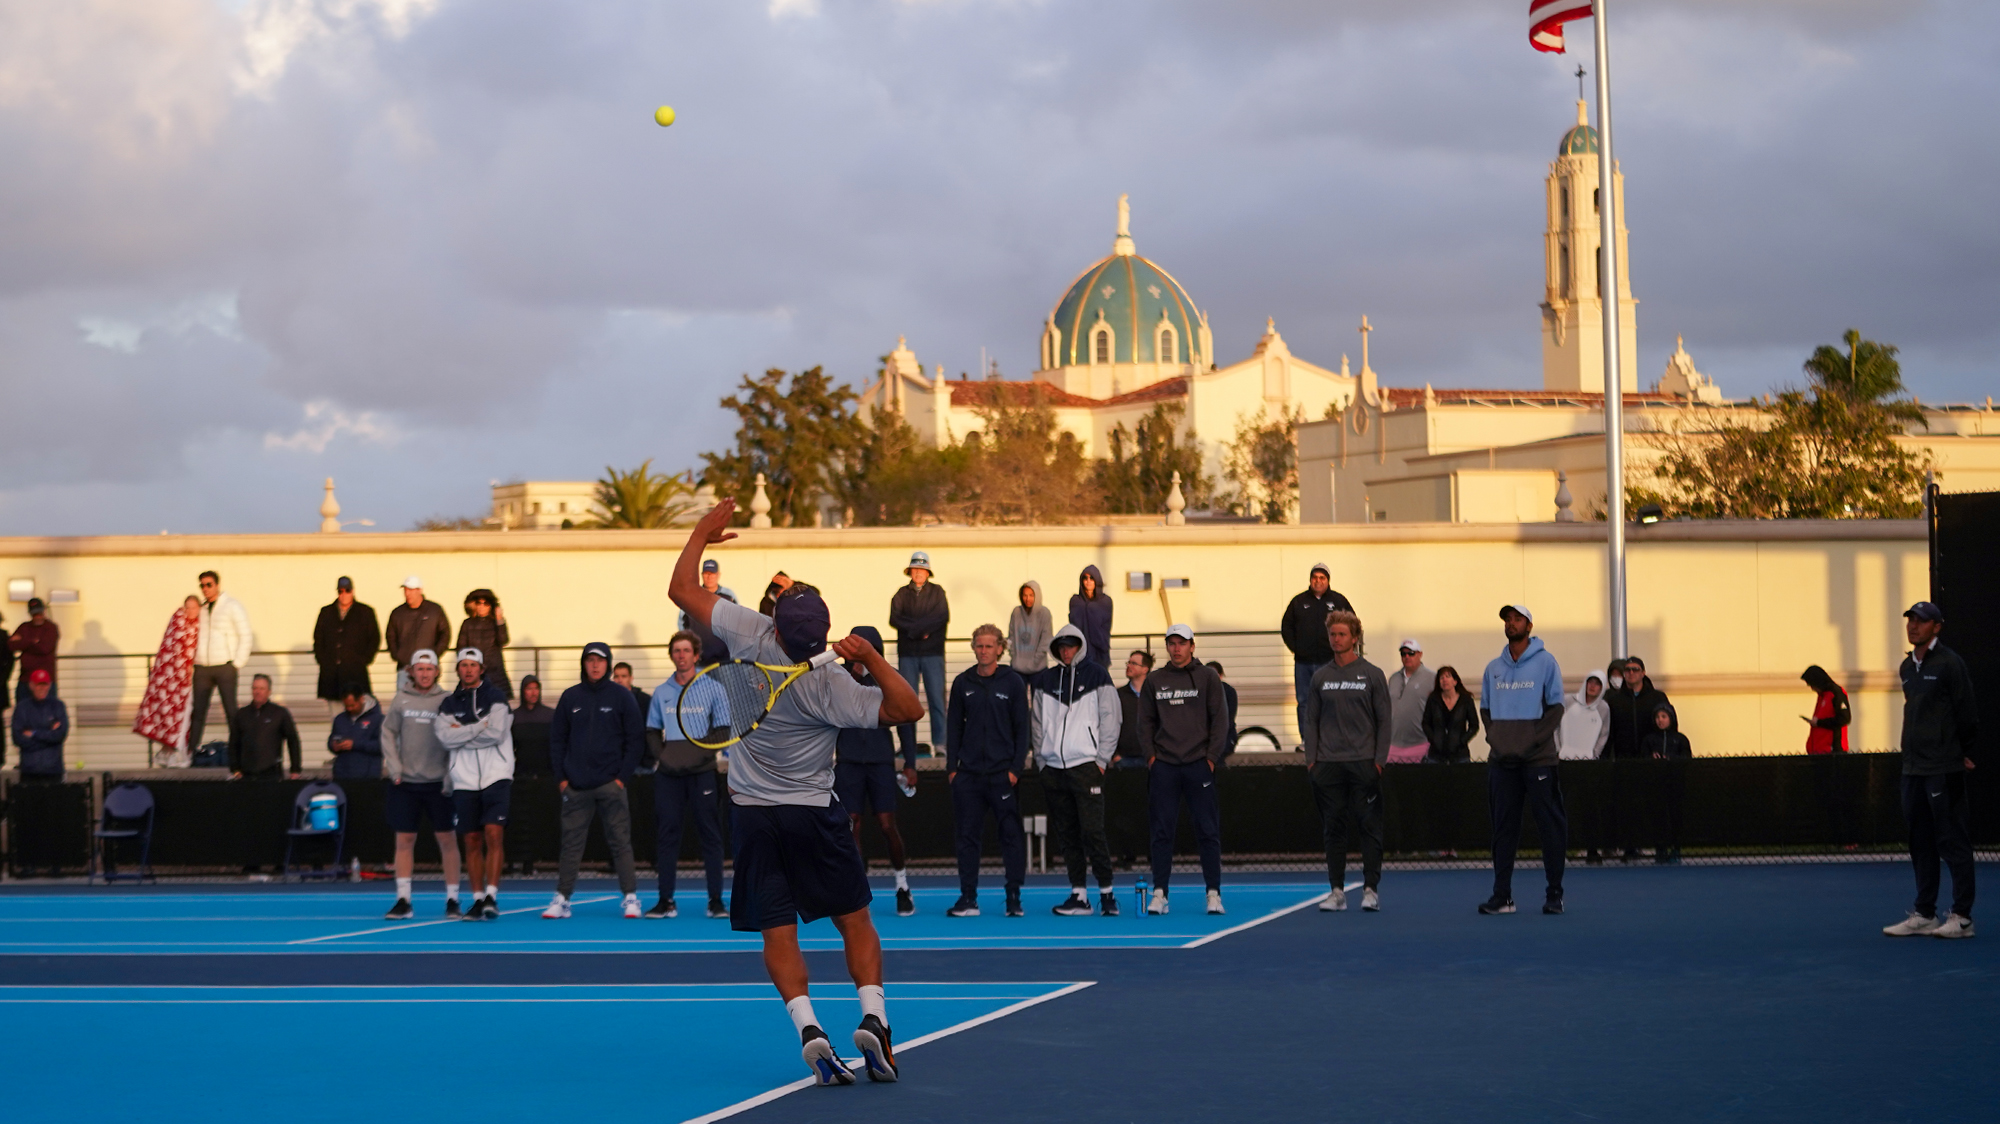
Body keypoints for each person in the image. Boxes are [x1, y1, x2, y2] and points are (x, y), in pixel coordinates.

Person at [670, 498, 924, 1086]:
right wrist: (871, 660)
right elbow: (907, 708)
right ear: (825, 634)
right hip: (814, 814)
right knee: (856, 921)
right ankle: (874, 1020)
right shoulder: (835, 685)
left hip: (755, 816)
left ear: (778, 624)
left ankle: (809, 1028)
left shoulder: (747, 631)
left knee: (777, 930)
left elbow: (682, 588)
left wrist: (703, 533)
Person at [1882, 601, 1978, 940]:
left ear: (1936, 627)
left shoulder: (1951, 664)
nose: (1913, 626)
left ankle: (1962, 917)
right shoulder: (1907, 667)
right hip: (1913, 768)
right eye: (1910, 620)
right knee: (1920, 840)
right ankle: (1925, 913)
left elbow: (1966, 714)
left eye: (1921, 622)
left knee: (1952, 840)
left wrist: (1963, 752)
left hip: (1943, 767)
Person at [544, 641, 644, 921]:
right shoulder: (570, 697)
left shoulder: (622, 697)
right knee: (571, 845)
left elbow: (635, 740)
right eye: (590, 660)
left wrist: (621, 779)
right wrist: (562, 779)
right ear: (583, 663)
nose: (595, 665)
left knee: (621, 843)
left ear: (608, 663)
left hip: (611, 786)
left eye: (600, 660)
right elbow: (557, 740)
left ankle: (631, 898)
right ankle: (562, 899)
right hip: (575, 787)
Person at [1478, 605, 1567, 916]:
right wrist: (1498, 741)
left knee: (1550, 827)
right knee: (1503, 829)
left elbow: (1556, 708)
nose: (1511, 623)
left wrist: (1531, 741)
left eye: (1517, 619)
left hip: (1539, 761)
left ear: (1529, 625)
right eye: (1507, 619)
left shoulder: (1546, 662)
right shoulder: (1493, 668)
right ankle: (1502, 897)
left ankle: (1554, 895)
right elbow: (1485, 711)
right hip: (1502, 762)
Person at [1136, 624, 1230, 916]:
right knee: (1161, 832)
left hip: (1198, 767)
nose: (1176, 648)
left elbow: (1220, 721)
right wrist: (1153, 758)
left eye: (1182, 643)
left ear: (1192, 646)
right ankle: (1160, 894)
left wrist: (1210, 759)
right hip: (1164, 767)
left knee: (1207, 831)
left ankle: (1213, 894)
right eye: (1171, 643)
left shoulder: (1208, 678)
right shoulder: (1154, 681)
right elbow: (1144, 724)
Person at [1031, 624, 1122, 917]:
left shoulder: (1098, 675)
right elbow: (1036, 723)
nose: (1066, 651)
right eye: (1062, 646)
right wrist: (1042, 761)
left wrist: (1101, 759)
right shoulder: (1045, 679)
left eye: (1071, 645)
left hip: (1086, 767)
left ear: (1080, 646)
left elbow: (1111, 719)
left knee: (1093, 831)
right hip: (1054, 769)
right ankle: (1079, 895)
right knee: (1067, 834)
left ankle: (1107, 895)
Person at [1303, 610, 1391, 912]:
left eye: (1342, 634)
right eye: (1332, 634)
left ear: (1354, 638)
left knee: (1368, 826)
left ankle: (1370, 889)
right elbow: (1310, 721)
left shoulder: (1373, 674)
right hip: (1327, 766)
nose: (1336, 639)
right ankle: (1337, 892)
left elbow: (1384, 721)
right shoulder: (1321, 676)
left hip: (1364, 763)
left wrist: (1378, 762)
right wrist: (1312, 763)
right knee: (1333, 828)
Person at [944, 624, 1032, 918]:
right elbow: (953, 728)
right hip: (968, 775)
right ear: (974, 648)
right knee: (967, 837)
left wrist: (1015, 770)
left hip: (1002, 776)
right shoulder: (962, 682)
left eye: (988, 646)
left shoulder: (1013, 682)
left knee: (1010, 836)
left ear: (1000, 649)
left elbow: (1023, 729)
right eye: (979, 646)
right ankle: (968, 898)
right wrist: (952, 770)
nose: (983, 651)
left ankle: (1013, 898)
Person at [643, 631, 730, 920]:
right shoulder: (661, 692)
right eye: (676, 651)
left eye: (686, 651)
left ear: (696, 655)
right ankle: (665, 900)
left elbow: (722, 730)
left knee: (710, 836)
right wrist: (664, 757)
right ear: (672, 656)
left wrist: (700, 755)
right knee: (667, 837)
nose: (681, 655)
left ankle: (715, 900)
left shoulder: (713, 688)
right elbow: (653, 732)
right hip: (668, 776)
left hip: (703, 773)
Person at [834, 626, 918, 917]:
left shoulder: (887, 676)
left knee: (886, 825)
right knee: (851, 824)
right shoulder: (840, 677)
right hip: (848, 762)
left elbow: (906, 719)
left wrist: (910, 762)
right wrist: (855, 673)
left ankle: (902, 885)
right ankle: (857, 891)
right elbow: (829, 712)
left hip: (881, 761)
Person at [381, 649, 463, 920]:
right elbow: (388, 733)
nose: (425, 674)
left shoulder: (447, 700)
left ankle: (452, 900)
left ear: (437, 671)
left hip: (439, 785)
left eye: (430, 669)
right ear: (411, 672)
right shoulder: (401, 700)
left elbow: (456, 739)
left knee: (447, 840)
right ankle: (403, 900)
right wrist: (395, 768)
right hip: (405, 783)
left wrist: (450, 775)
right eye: (420, 669)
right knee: (404, 840)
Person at [438, 647, 515, 922]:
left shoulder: (496, 697)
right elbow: (445, 738)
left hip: (496, 775)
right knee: (471, 840)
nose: (468, 669)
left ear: (482, 669)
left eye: (473, 665)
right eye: (463, 665)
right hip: (464, 779)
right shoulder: (448, 703)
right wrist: (478, 727)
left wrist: (463, 731)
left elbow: (496, 733)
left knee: (494, 834)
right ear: (458, 669)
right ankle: (478, 899)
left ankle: (492, 896)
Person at [1280, 563, 1353, 751]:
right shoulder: (1298, 602)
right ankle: (1308, 740)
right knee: (1305, 702)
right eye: (1315, 577)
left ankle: (1331, 739)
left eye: (1322, 578)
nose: (1318, 581)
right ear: (1310, 580)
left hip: (1330, 662)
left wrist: (1343, 652)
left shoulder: (1338, 601)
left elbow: (1352, 625)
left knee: (1331, 699)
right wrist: (1297, 648)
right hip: (1303, 663)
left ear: (1328, 580)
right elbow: (1286, 627)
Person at [1605, 656, 1671, 861]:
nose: (1630, 673)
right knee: (1628, 806)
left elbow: (1667, 726)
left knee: (1656, 805)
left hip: (1651, 760)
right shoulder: (1614, 700)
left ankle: (1661, 847)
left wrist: (1663, 751)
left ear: (1643, 672)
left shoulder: (1657, 697)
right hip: (1625, 761)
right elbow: (1608, 732)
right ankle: (1630, 847)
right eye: (1627, 670)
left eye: (1635, 669)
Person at [889, 551, 949, 758]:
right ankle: (908, 745)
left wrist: (915, 629)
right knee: (907, 701)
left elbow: (941, 617)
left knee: (937, 700)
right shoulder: (901, 594)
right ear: (910, 572)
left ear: (927, 572)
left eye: (921, 570)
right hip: (908, 654)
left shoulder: (938, 592)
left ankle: (941, 744)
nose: (918, 573)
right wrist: (919, 630)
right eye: (915, 569)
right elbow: (894, 618)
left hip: (932, 653)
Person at [133, 596, 202, 766]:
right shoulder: (178, 623)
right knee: (170, 715)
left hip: (187, 680)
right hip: (172, 679)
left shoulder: (201, 625)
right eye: (187, 608)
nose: (190, 612)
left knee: (183, 716)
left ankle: (176, 751)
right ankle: (172, 752)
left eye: (194, 608)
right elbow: (172, 648)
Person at [188, 572, 252, 755]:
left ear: (217, 585)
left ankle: (238, 753)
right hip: (202, 667)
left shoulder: (232, 606)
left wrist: (236, 663)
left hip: (224, 666)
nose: (205, 589)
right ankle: (191, 753)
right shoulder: (201, 608)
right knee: (198, 713)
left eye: (209, 585)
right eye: (202, 586)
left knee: (231, 711)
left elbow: (245, 634)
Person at [312, 577, 380, 706]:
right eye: (340, 591)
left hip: (355, 673)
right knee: (336, 715)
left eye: (347, 590)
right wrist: (323, 660)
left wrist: (365, 660)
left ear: (353, 591)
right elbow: (318, 639)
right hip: (331, 675)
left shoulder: (365, 612)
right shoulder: (326, 612)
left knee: (357, 712)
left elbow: (374, 638)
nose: (344, 595)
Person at [1641, 700, 1691, 864]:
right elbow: (1641, 760)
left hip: (1675, 785)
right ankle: (1660, 849)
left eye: (1664, 716)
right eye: (1657, 717)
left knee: (1676, 816)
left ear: (1671, 718)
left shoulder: (1680, 739)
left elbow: (1687, 759)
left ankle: (1676, 848)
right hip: (1655, 786)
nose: (1660, 720)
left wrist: (1670, 759)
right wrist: (1652, 759)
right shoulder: (1649, 740)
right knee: (1658, 817)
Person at [385, 576, 452, 694]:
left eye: (411, 590)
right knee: (404, 703)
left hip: (429, 668)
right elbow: (390, 636)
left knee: (429, 703)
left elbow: (445, 634)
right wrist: (398, 655)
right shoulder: (397, 613)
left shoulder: (434, 610)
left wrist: (434, 655)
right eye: (405, 590)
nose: (407, 594)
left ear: (419, 590)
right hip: (405, 668)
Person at [227, 673, 300, 780]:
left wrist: (295, 770)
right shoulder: (242, 714)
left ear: (269, 691)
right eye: (255, 688)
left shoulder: (279, 713)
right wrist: (235, 769)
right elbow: (233, 743)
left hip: (272, 773)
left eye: (262, 688)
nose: (258, 692)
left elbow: (293, 741)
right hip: (246, 775)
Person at [11, 669, 67, 782]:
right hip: (29, 771)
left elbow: (60, 735)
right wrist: (49, 737)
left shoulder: (58, 706)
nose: (42, 688)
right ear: (31, 685)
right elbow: (17, 738)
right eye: (38, 685)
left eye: (44, 685)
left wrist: (34, 734)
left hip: (53, 770)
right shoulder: (22, 708)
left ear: (50, 685)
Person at [1385, 639, 1435, 765]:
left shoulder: (1432, 678)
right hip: (1393, 744)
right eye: (1403, 654)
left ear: (1419, 654)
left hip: (1420, 743)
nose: (1407, 657)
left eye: (1411, 653)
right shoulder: (1393, 679)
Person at [679, 559, 738, 664]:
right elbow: (682, 623)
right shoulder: (692, 596)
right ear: (701, 575)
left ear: (718, 575)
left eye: (712, 574)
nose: (709, 577)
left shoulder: (729, 596)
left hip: (724, 657)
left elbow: (738, 622)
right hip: (699, 657)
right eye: (706, 574)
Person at [456, 589, 510, 700]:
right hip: (474, 671)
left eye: (486, 603)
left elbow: (504, 641)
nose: (482, 606)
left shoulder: (496, 622)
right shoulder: (467, 623)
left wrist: (500, 620)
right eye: (478, 603)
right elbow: (461, 649)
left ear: (491, 606)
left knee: (499, 702)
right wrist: (467, 666)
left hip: (496, 671)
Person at [1422, 666, 1479, 765]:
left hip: (1460, 755)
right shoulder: (1433, 699)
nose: (1444, 680)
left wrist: (1462, 741)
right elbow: (1425, 723)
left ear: (1455, 681)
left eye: (1448, 676)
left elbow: (1474, 725)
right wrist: (1433, 739)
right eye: (1441, 678)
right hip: (1436, 755)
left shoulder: (1466, 700)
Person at [9, 597, 59, 704]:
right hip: (26, 679)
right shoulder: (24, 627)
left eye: (39, 613)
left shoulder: (51, 628)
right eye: (35, 613)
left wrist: (23, 642)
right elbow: (11, 645)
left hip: (45, 681)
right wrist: (33, 641)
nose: (37, 616)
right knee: (22, 713)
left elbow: (45, 648)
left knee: (47, 714)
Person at [328, 685, 384, 779]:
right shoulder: (340, 719)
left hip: (368, 777)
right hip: (342, 775)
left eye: (352, 705)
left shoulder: (378, 719)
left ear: (361, 699)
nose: (349, 709)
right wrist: (334, 745)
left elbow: (382, 746)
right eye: (346, 706)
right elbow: (331, 739)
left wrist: (355, 744)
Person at [1067, 565, 1115, 670]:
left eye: (1091, 578)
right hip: (1079, 651)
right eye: (1085, 578)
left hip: (1099, 650)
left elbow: (1105, 626)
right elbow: (1074, 624)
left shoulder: (1105, 601)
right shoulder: (1076, 601)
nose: (1088, 581)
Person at [1557, 671, 1610, 761]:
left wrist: (1595, 753)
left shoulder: (1603, 708)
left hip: (1588, 760)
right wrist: (1558, 750)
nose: (1592, 686)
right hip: (1563, 757)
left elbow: (1604, 734)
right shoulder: (1568, 700)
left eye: (1597, 684)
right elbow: (1556, 727)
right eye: (1590, 682)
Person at [1114, 649, 1152, 768]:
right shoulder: (1118, 695)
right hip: (1123, 759)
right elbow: (1109, 725)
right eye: (1128, 663)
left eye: (1134, 663)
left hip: (1150, 759)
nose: (1129, 666)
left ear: (1145, 669)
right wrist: (1114, 756)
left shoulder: (1154, 695)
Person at [1801, 665, 1851, 754]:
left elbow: (1844, 718)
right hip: (1819, 750)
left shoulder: (1835, 693)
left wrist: (1819, 723)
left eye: (1812, 685)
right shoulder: (1823, 696)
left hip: (1832, 750)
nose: (1812, 689)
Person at [1009, 581, 1055, 675]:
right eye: (1025, 595)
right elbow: (1011, 637)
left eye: (1031, 595)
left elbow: (1045, 641)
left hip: (1039, 668)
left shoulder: (1044, 614)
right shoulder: (1016, 612)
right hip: (1018, 667)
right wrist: (1014, 657)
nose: (1027, 599)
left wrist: (1034, 662)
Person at [1206, 661, 1239, 752]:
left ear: (1220, 676)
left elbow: (1229, 719)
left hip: (1225, 737)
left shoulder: (1229, 692)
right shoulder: (1201, 692)